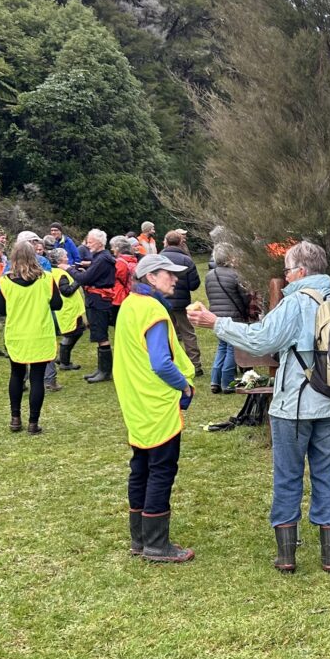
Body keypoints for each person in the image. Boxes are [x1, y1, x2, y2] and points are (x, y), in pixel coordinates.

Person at [187, 240, 330, 574]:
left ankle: (287, 556)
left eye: (288, 271)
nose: (286, 277)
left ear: (301, 271)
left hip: (295, 405)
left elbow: (261, 340)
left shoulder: (295, 304)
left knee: (288, 476)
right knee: (326, 475)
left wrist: (216, 323)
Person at [114, 253, 197, 562]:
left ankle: (139, 539)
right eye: (169, 274)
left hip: (136, 402)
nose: (175, 279)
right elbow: (161, 362)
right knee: (161, 470)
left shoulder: (129, 305)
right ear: (151, 277)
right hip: (156, 404)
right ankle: (157, 545)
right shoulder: (152, 309)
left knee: (140, 468)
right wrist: (184, 386)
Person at [0, 239, 63, 433]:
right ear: (34, 256)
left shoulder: (5, 282)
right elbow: (57, 304)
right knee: (37, 378)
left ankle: (15, 418)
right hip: (40, 334)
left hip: (17, 334)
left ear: (13, 258)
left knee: (17, 375)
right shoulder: (46, 279)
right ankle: (33, 423)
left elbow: (1, 309)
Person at [69, 229, 117, 383]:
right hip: (95, 300)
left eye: (90, 241)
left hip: (99, 301)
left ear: (99, 242)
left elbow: (85, 278)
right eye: (87, 240)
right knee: (97, 333)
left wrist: (68, 269)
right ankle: (101, 369)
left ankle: (105, 371)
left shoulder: (102, 258)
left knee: (101, 335)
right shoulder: (99, 258)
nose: (87, 244)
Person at [204, 244, 253, 393]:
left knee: (222, 347)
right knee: (232, 349)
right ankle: (227, 382)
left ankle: (215, 380)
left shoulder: (209, 275)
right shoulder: (235, 275)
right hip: (234, 315)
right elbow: (244, 297)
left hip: (216, 315)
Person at [161, 230, 204, 372]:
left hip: (163, 300)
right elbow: (194, 285)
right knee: (187, 333)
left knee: (166, 333)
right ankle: (195, 364)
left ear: (166, 241)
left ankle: (170, 363)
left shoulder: (159, 258)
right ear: (181, 242)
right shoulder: (186, 260)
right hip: (181, 301)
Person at [49, 248, 85, 374]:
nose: (67, 257)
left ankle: (62, 358)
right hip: (68, 309)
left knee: (75, 332)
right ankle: (64, 361)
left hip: (69, 309)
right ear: (59, 259)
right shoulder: (60, 273)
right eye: (65, 255)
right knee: (71, 334)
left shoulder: (54, 271)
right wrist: (78, 281)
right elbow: (67, 291)